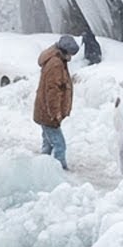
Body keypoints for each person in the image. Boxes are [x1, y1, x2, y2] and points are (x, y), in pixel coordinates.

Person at [34, 35, 78, 170]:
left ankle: (42, 167)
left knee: (48, 142)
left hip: (43, 110)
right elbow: (52, 91)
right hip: (49, 113)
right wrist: (55, 113)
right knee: (59, 144)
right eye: (70, 54)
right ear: (65, 51)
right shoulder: (56, 64)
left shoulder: (56, 60)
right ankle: (60, 169)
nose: (71, 57)